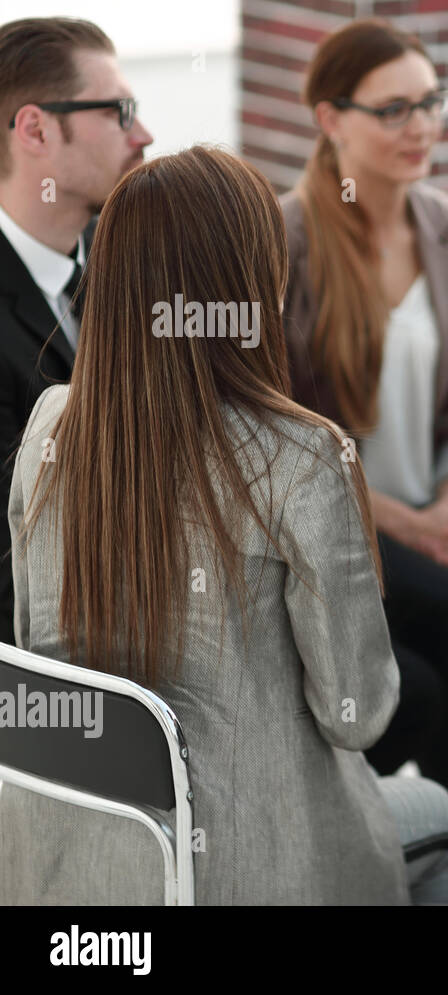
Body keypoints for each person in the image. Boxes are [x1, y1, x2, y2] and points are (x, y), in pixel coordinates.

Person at [0, 145, 448, 904]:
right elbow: (361, 710)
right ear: (253, 280)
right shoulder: (303, 455)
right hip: (251, 869)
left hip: (68, 864)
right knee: (440, 816)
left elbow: (32, 641)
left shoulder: (52, 423)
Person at [279, 19, 448, 899]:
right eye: (393, 109)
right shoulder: (286, 239)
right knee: (437, 596)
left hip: (433, 500)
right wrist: (411, 525)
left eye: (431, 101)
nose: (421, 125)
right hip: (336, 512)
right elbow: (285, 428)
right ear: (331, 118)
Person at [0, 16, 153, 645]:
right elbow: (20, 553)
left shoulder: (128, 252)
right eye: (119, 112)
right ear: (35, 128)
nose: (144, 134)